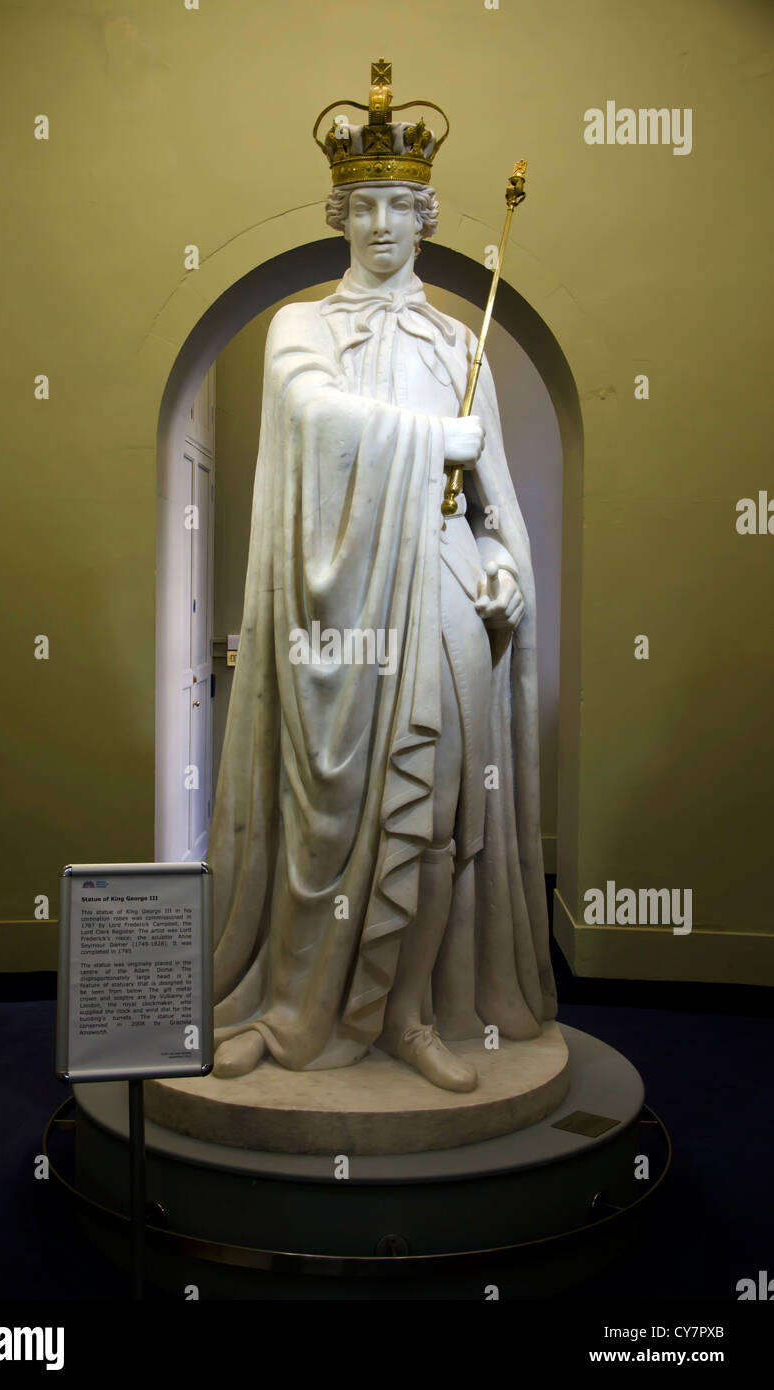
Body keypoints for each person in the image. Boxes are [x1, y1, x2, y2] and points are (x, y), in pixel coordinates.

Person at [208, 59, 557, 1093]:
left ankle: (409, 1016)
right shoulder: (301, 329)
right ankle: (294, 1010)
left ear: (430, 216)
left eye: (403, 204)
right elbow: (314, 417)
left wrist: (501, 569)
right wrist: (426, 434)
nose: (383, 223)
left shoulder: (462, 347)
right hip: (336, 617)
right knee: (325, 814)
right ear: (338, 213)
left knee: (437, 811)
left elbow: (494, 506)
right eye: (364, 204)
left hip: (443, 594)